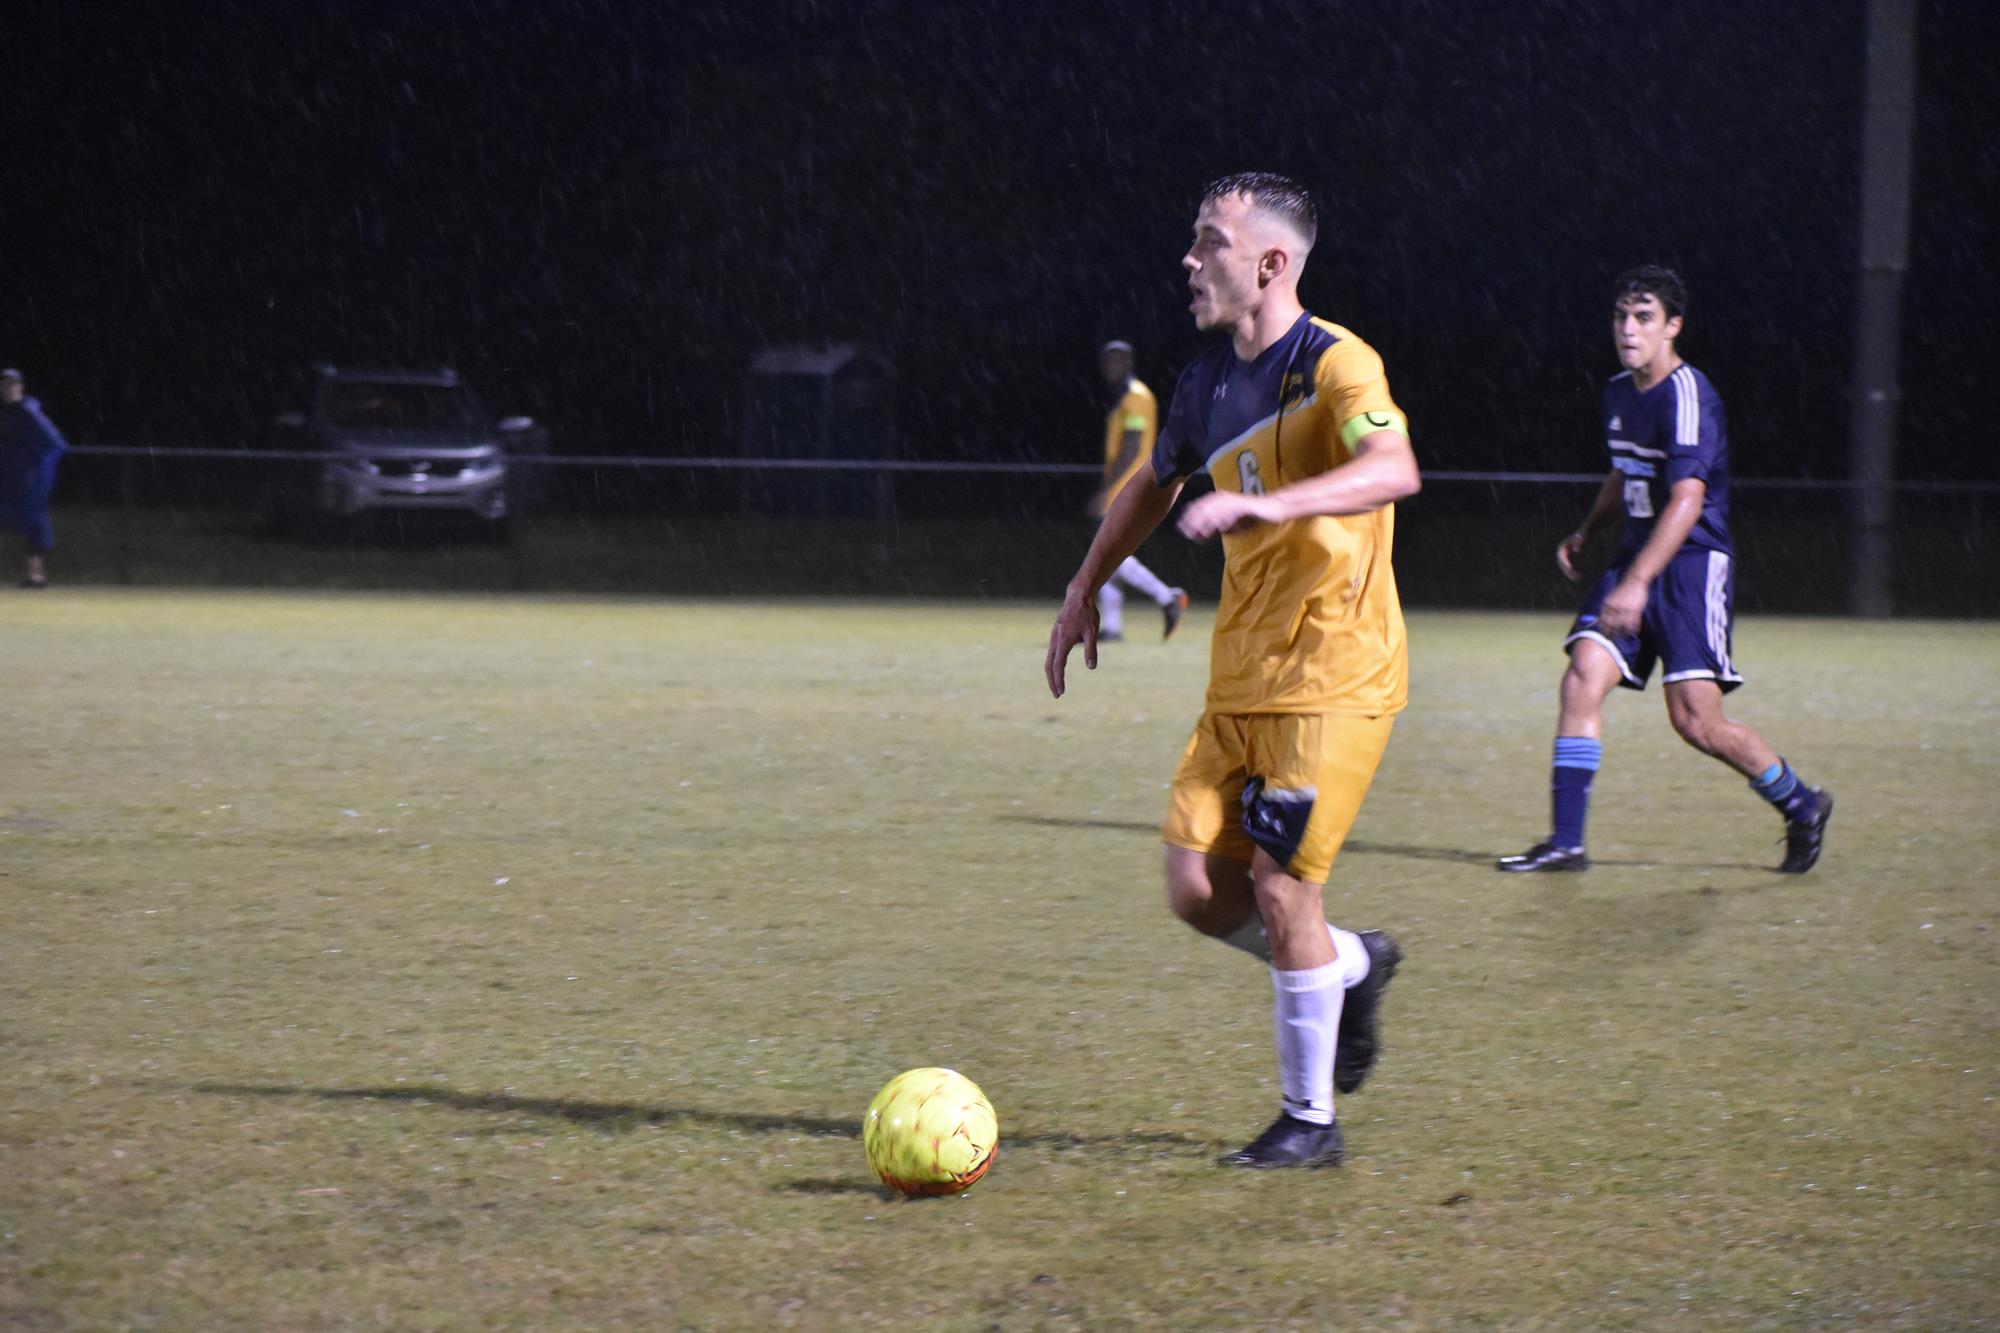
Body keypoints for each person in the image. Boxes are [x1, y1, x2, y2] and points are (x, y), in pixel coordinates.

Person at [1046, 173, 1421, 1169]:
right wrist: (1085, 585)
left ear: (1269, 263)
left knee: (1281, 884)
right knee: (1192, 886)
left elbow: (1393, 470)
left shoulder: (1337, 365)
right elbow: (1150, 485)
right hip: (1240, 676)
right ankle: (1349, 966)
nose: (1188, 259)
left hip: (1332, 674)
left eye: (1208, 241)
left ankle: (1310, 1123)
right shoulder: (1204, 385)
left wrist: (1268, 506)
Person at [1497, 266, 1832, 875]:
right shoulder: (1618, 391)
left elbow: (1687, 500)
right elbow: (1625, 470)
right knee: (1582, 678)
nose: (1629, 328)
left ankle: (1802, 803)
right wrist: (1587, 531)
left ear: (1673, 326)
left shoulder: (1688, 395)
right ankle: (1566, 843)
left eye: (1644, 316)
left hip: (1691, 565)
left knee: (1697, 722)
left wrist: (1638, 581)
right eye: (1622, 316)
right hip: (1635, 557)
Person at [1085, 339, 1188, 641]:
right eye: (1107, 360)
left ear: (1129, 363)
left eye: (1117, 360)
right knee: (1109, 554)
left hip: (1127, 486)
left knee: (1107, 552)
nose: (1110, 366)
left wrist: (1104, 490)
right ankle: (1113, 627)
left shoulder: (1136, 397)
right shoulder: (1125, 399)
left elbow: (1131, 449)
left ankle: (1167, 597)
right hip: (1123, 485)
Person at [0, 368, 70, 589]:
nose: (8, 388)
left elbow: (55, 443)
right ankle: (35, 576)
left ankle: (36, 577)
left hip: (26, 481)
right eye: (4, 385)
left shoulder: (28, 411)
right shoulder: (8, 413)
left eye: (12, 384)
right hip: (10, 478)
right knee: (28, 523)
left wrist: (37, 471)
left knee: (33, 523)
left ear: (20, 386)